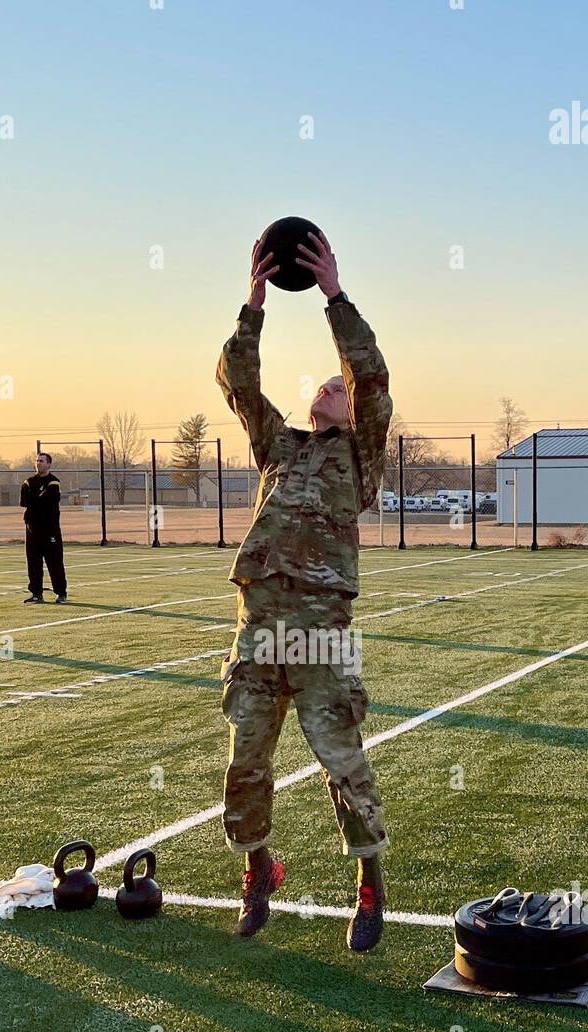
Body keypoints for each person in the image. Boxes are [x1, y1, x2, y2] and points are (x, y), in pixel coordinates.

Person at [216, 231, 392, 951]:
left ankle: (371, 883)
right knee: (247, 761)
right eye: (319, 386)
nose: (328, 389)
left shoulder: (362, 455)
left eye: (335, 389)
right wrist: (253, 305)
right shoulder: (278, 445)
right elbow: (235, 382)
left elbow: (370, 375)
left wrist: (333, 296)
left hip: (319, 634)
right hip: (260, 628)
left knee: (342, 761)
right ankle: (260, 872)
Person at [21, 453, 67, 604]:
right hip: (32, 528)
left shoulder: (54, 482)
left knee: (55, 563)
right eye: (37, 461)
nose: (38, 463)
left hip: (50, 529)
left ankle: (61, 593)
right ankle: (36, 593)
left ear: (49, 464)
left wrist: (36, 498)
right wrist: (38, 497)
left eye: (42, 461)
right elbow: (24, 502)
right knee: (33, 563)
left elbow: (49, 502)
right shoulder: (28, 482)